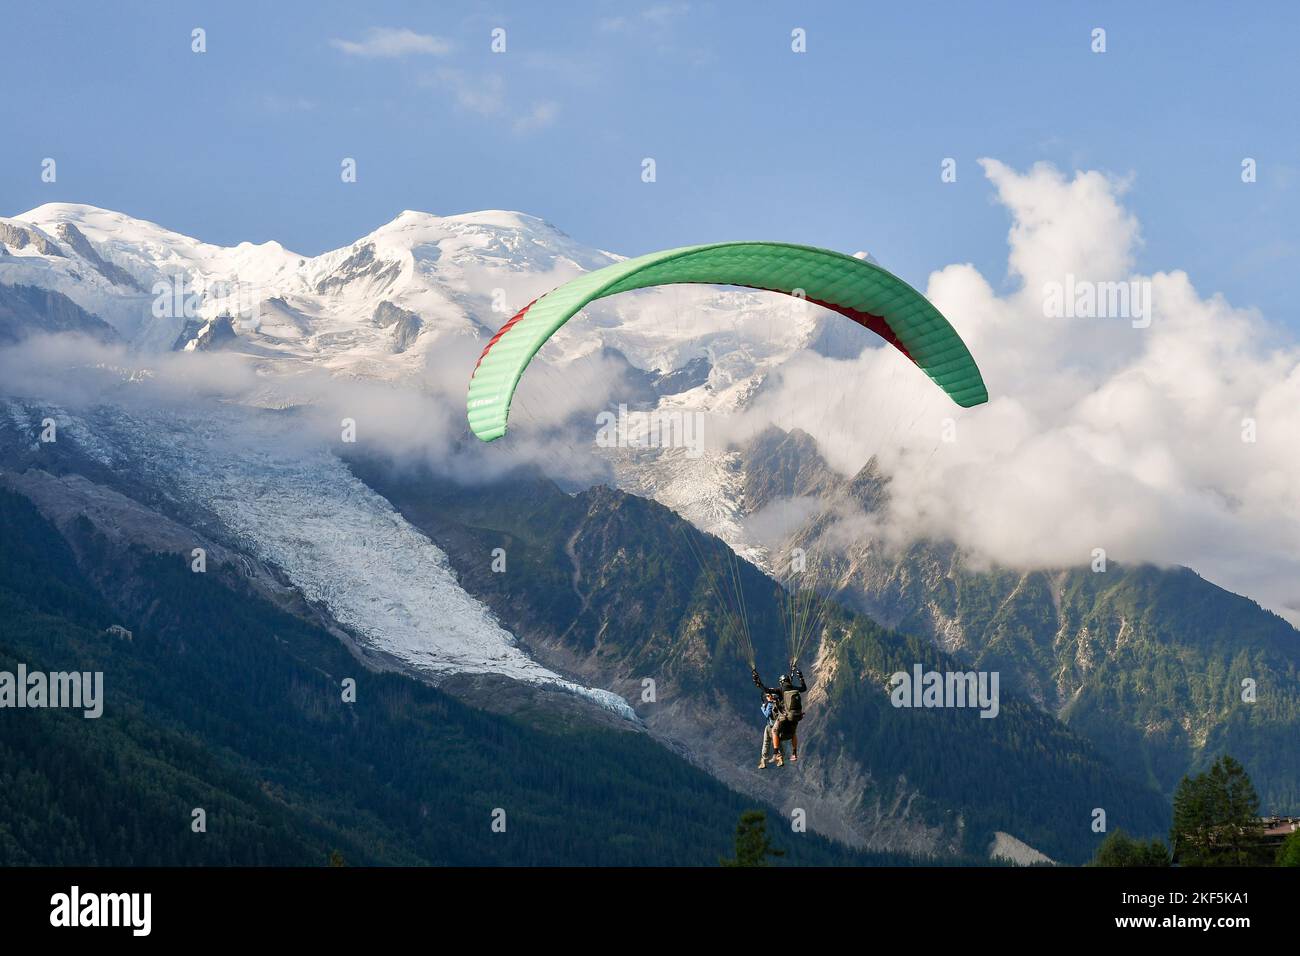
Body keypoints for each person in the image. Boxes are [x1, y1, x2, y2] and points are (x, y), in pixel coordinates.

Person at [752, 663, 808, 766]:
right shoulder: (794, 688)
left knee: (774, 731)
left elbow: (766, 690)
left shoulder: (780, 689)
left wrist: (757, 681)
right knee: (793, 733)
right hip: (796, 716)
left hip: (785, 716)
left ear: (781, 682)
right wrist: (801, 677)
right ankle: (794, 753)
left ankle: (776, 752)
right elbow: (804, 688)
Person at [758, 691, 780, 769]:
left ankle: (764, 760)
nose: (767, 697)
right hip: (779, 725)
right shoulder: (779, 702)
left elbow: (767, 714)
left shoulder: (770, 704)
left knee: (766, 742)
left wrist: (763, 707)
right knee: (778, 742)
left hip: (770, 726)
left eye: (767, 696)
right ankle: (780, 758)